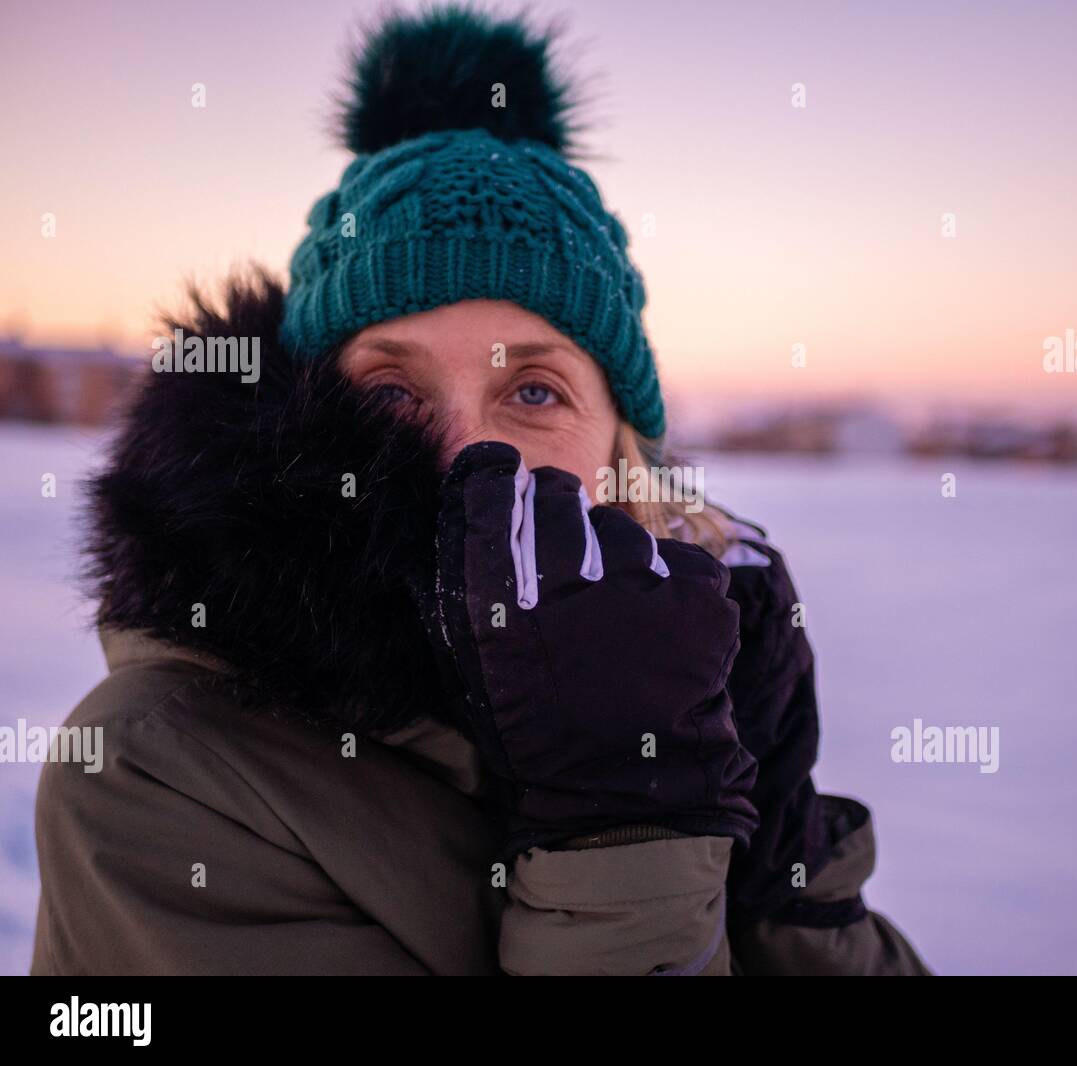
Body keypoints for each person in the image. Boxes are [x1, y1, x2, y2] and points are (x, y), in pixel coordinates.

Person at [30, 3, 930, 976]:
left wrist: (783, 867)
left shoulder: (682, 687)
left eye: (533, 390)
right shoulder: (155, 766)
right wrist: (627, 832)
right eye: (393, 390)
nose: (468, 454)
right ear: (300, 420)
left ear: (619, 453)